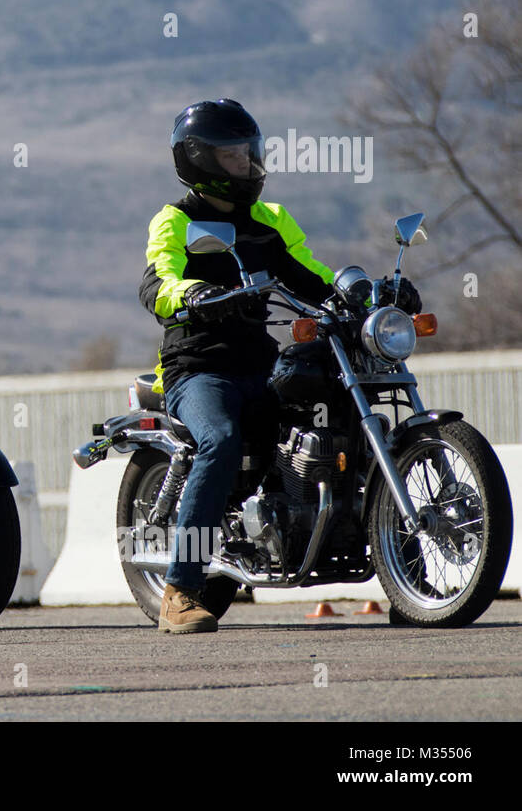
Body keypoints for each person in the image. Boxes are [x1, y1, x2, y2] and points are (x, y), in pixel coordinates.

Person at [138, 99, 422, 634]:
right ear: (198, 160)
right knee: (220, 439)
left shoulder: (269, 221)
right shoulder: (175, 220)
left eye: (248, 153)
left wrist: (370, 294)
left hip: (259, 363)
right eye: (230, 157)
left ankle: (407, 574)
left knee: (333, 410)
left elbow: (311, 277)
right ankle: (180, 589)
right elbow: (157, 281)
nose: (245, 164)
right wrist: (194, 293)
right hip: (196, 368)